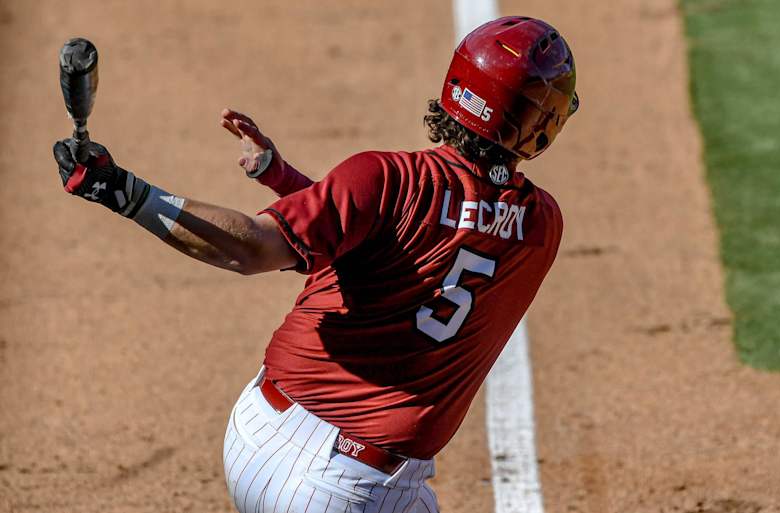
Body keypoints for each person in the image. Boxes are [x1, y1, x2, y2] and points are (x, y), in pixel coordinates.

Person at [52, 16, 577, 513]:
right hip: (354, 489)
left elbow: (262, 246)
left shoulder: (383, 179)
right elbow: (413, 245)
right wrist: (287, 183)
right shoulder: (539, 228)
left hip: (254, 437)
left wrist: (120, 189)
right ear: (541, 127)